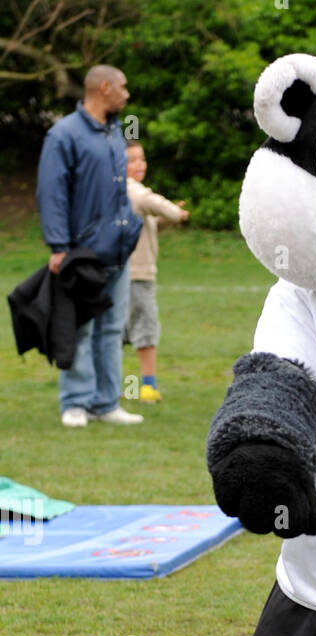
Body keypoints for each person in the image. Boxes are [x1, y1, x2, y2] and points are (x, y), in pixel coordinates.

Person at [36, 64, 143, 427]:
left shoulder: (115, 132)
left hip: (117, 252)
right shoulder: (63, 135)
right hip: (81, 254)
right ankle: (75, 402)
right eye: (123, 87)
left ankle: (106, 402)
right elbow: (51, 194)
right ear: (105, 88)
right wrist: (58, 246)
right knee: (79, 327)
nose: (127, 95)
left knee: (112, 329)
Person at [124, 141, 189, 402]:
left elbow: (146, 222)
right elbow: (149, 201)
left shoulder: (121, 192)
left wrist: (165, 220)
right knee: (146, 328)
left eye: (142, 158)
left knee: (119, 331)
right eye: (132, 160)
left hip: (126, 273)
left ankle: (104, 386)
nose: (139, 164)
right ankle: (148, 386)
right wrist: (176, 212)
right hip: (137, 274)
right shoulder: (132, 190)